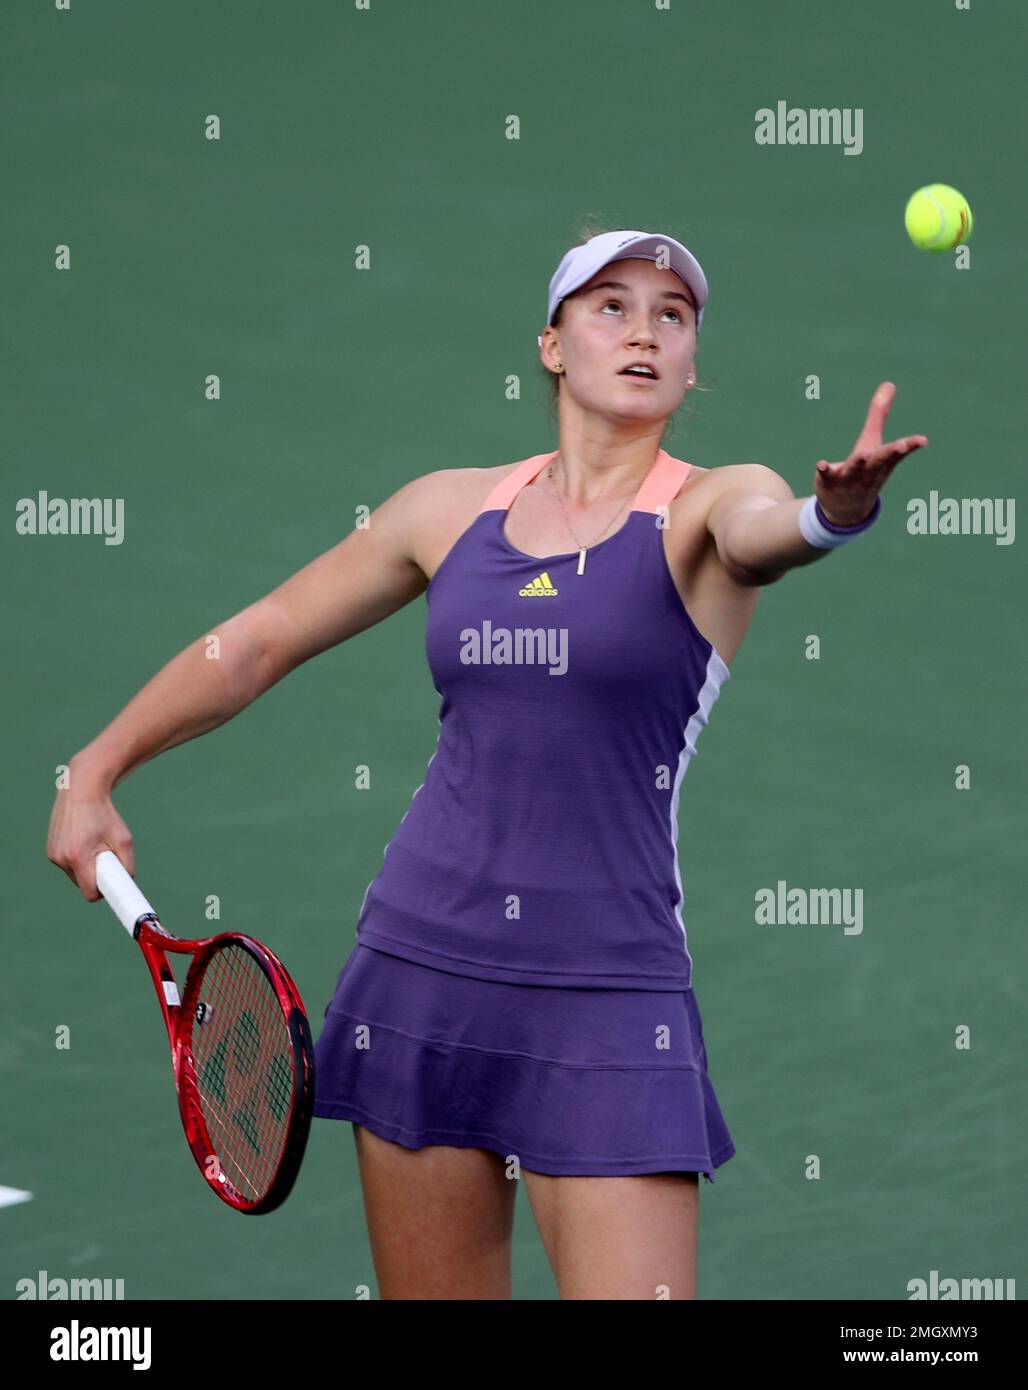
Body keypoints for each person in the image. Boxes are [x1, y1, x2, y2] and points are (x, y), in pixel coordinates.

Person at [47, 227, 927, 1301]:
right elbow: (264, 636)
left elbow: (765, 534)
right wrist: (94, 769)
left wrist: (830, 516)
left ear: (692, 363)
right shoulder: (446, 508)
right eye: (609, 306)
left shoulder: (709, 501)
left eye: (671, 314)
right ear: (550, 346)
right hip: (419, 975)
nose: (643, 330)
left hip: (608, 998)